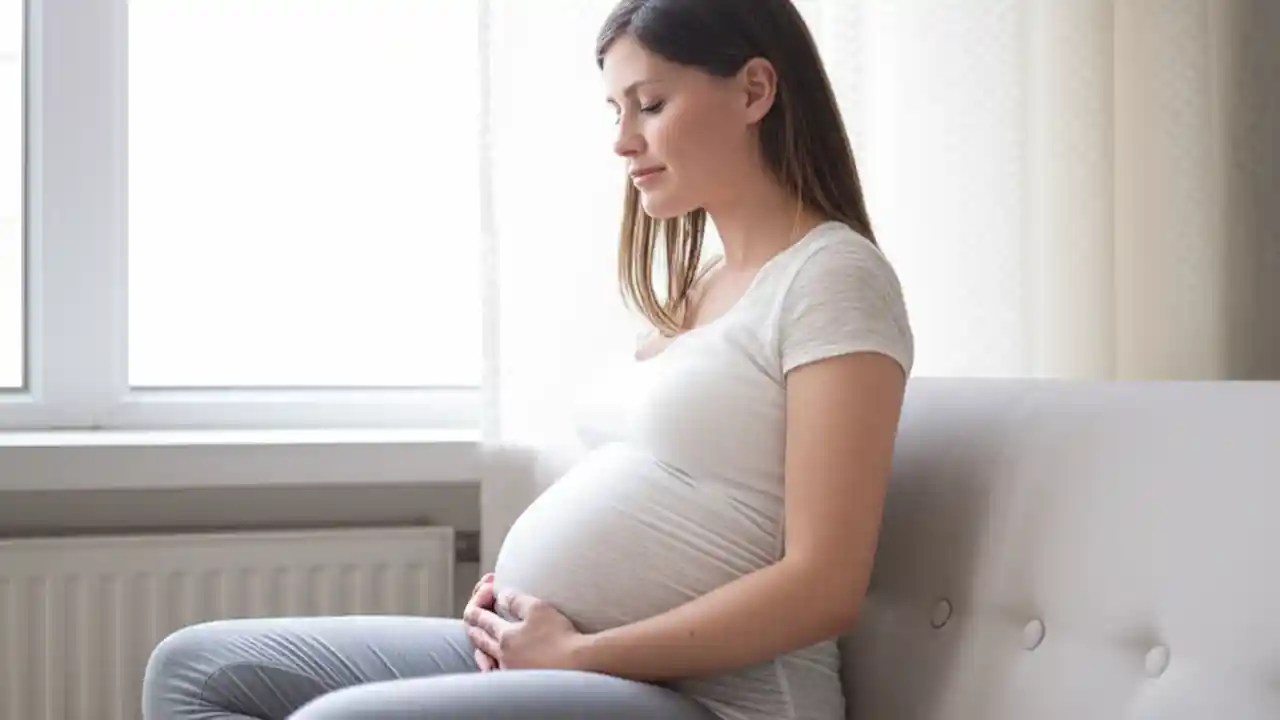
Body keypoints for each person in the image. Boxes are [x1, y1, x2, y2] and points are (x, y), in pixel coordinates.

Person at [141, 0, 913, 718]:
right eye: (615, 111)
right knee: (196, 671)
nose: (623, 139)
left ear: (754, 91)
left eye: (650, 104)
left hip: (714, 699)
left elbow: (824, 586)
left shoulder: (832, 278)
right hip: (571, 661)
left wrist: (581, 652)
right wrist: (526, 601)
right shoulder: (706, 284)